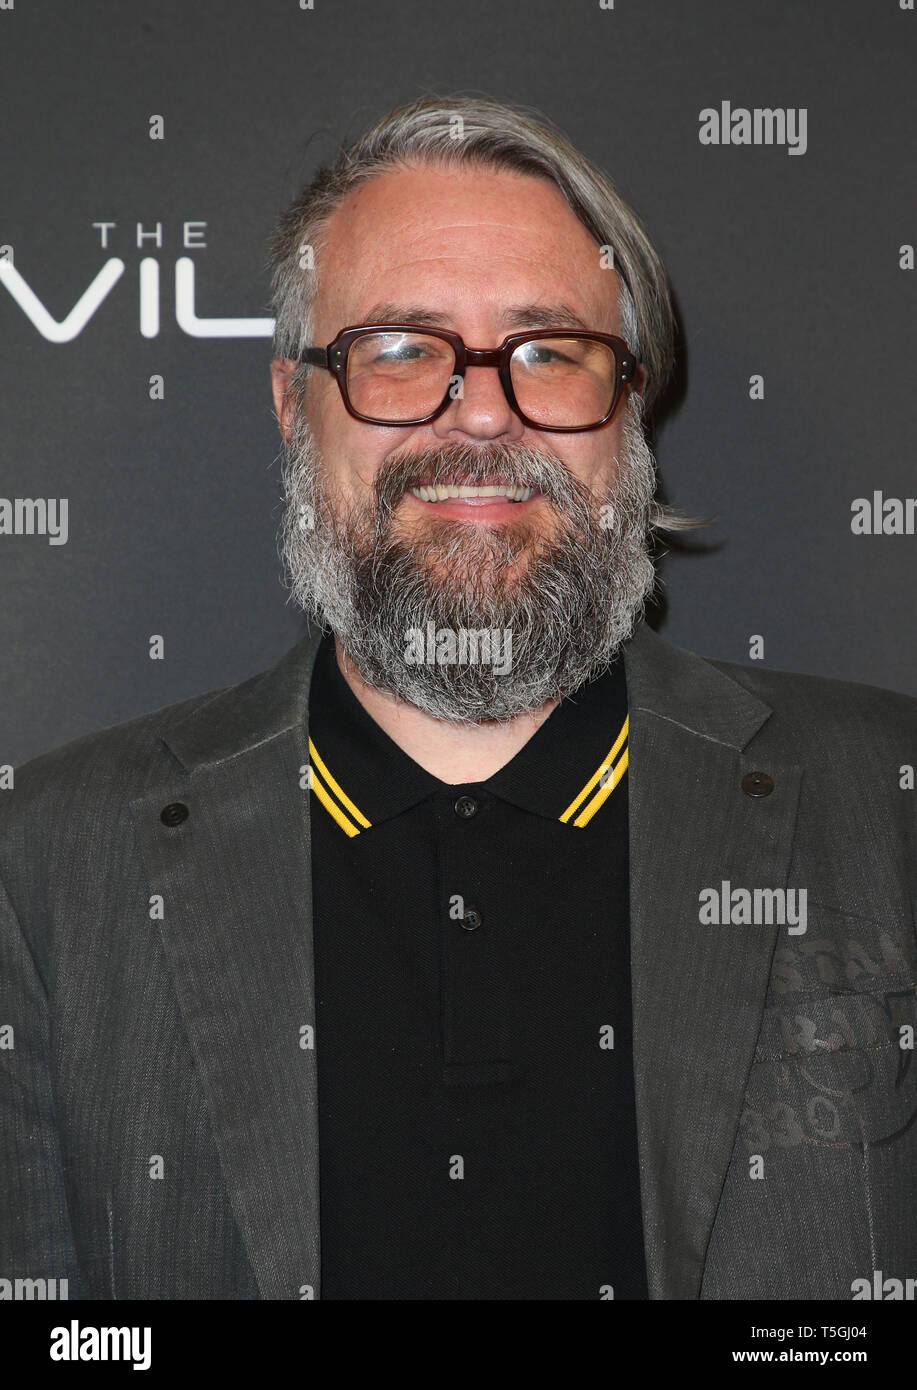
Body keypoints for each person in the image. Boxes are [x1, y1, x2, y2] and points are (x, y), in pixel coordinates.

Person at [2, 95, 915, 1301]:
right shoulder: (56, 865)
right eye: (398, 350)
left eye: (547, 352)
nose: (480, 411)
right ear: (294, 407)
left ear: (624, 413)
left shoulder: (886, 807)